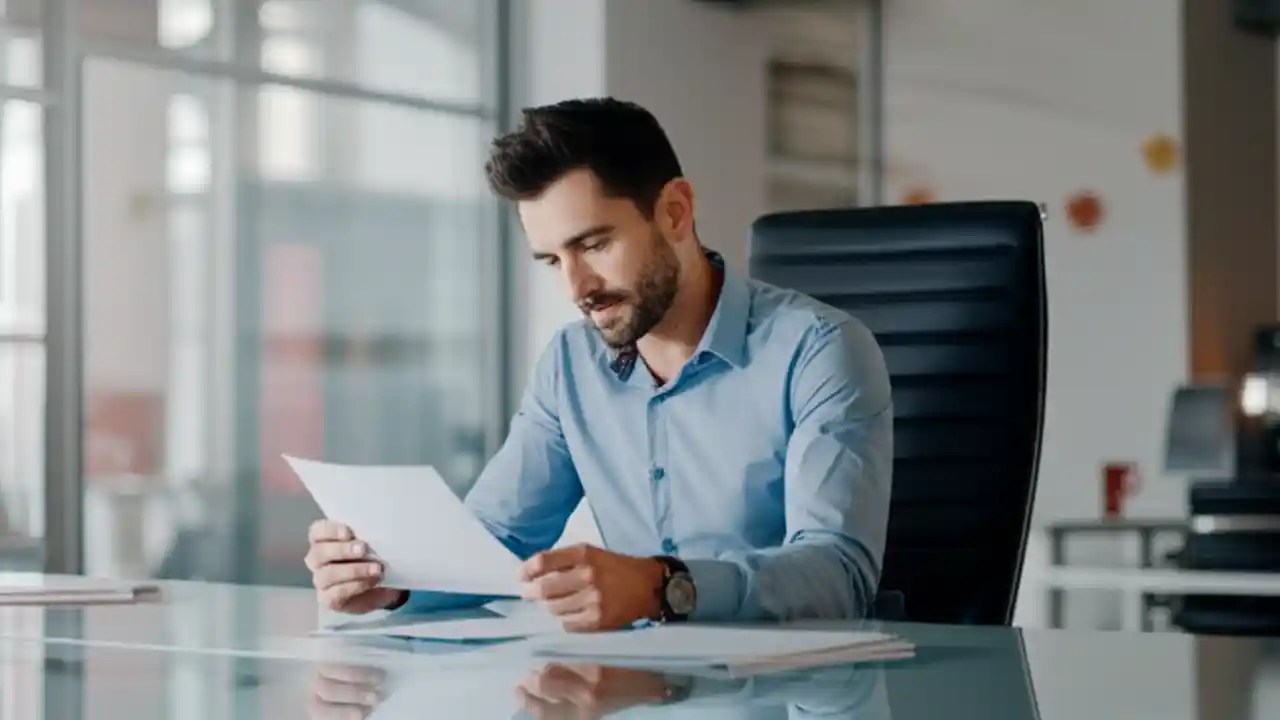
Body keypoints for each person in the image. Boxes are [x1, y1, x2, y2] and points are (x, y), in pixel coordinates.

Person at [304, 97, 892, 632]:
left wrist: (663, 586)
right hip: (637, 687)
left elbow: (838, 573)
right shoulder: (570, 364)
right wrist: (391, 581)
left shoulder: (819, 349)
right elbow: (495, 544)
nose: (576, 286)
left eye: (593, 245)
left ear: (675, 212)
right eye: (552, 259)